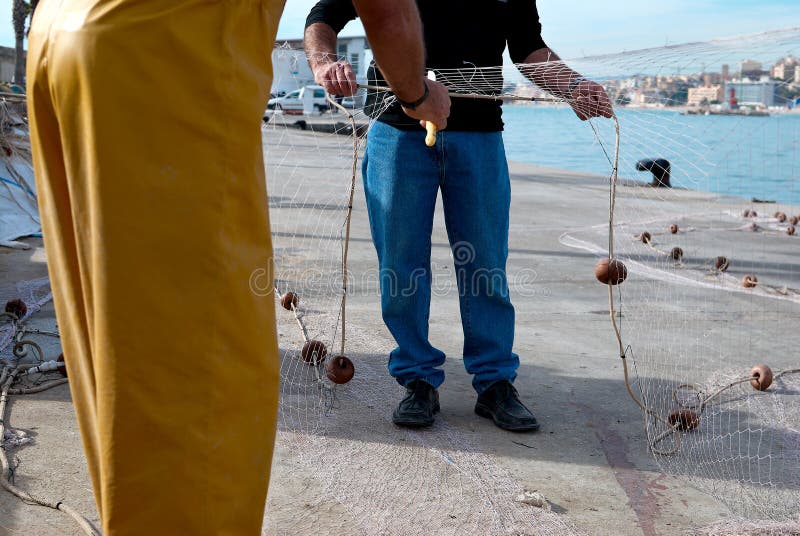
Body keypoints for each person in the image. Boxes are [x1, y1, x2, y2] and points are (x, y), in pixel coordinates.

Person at [26, 0, 449, 533]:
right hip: (163, 54)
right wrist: (418, 95)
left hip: (60, 33)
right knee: (204, 368)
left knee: (123, 343)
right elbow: (387, 11)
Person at [305, 0, 613, 432]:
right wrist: (325, 63)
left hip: (480, 135)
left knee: (486, 261)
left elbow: (529, 50)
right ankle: (417, 378)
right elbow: (325, 13)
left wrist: (574, 86)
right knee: (401, 261)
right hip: (397, 132)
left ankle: (495, 382)